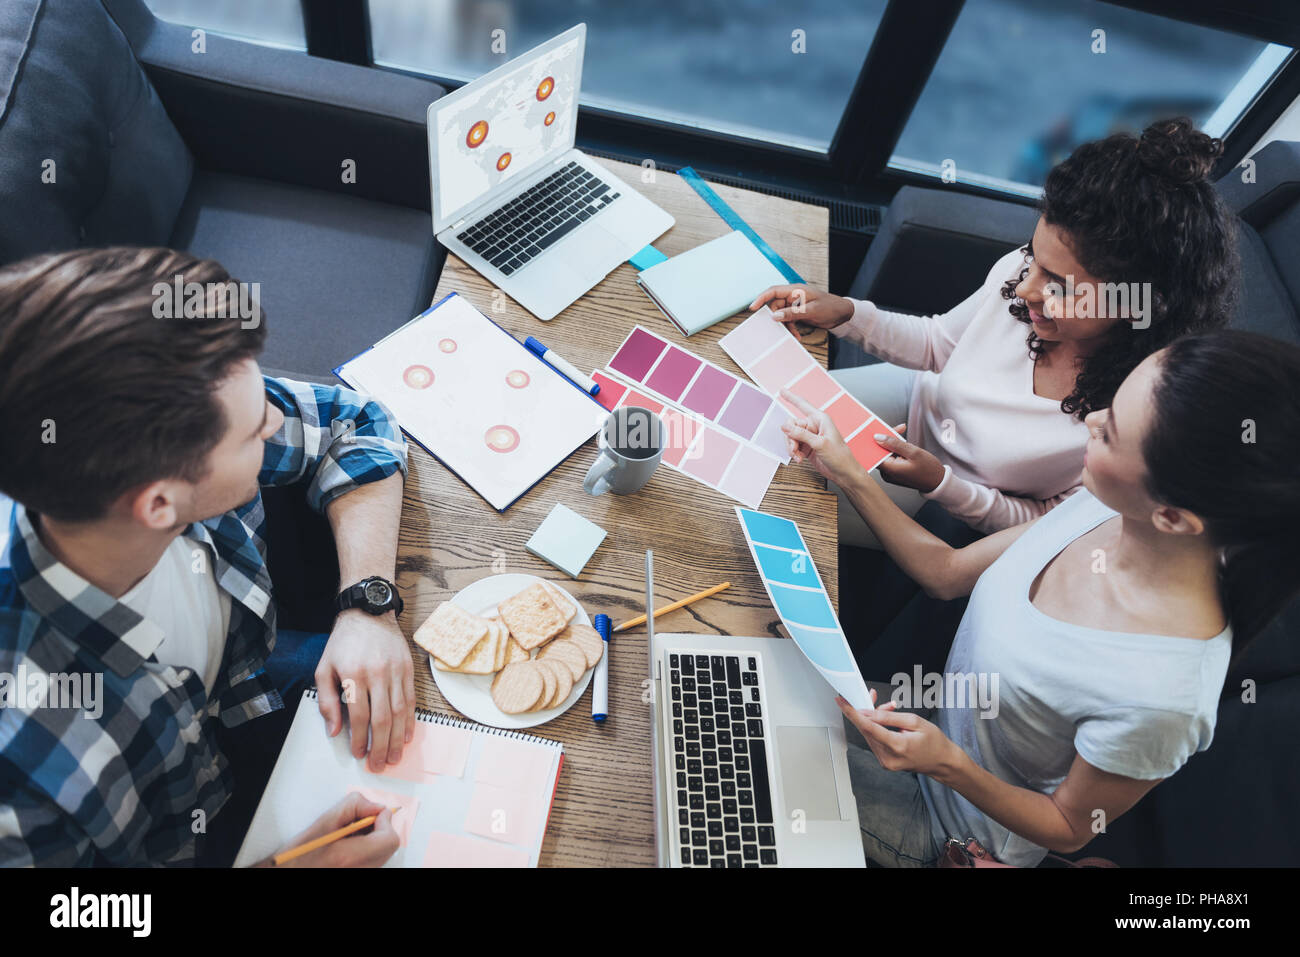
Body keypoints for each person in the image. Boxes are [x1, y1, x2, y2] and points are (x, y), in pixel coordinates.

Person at [779, 329, 1300, 867]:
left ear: (1172, 517)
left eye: (1113, 432)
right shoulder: (1109, 507)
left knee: (745, 759)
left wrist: (946, 764)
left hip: (944, 825)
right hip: (922, 720)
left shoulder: (1164, 696)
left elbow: (1071, 828)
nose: (1091, 419)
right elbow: (946, 571)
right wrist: (847, 468)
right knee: (748, 686)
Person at [0, 247, 413, 866]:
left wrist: (365, 605)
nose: (277, 419)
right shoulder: (25, 780)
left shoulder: (154, 438)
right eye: (253, 432)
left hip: (243, 696)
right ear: (158, 505)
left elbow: (356, 422)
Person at [752, 117, 1239, 544]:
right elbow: (938, 343)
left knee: (768, 494)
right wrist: (847, 314)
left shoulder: (1125, 420)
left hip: (935, 503)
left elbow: (1043, 523)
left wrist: (940, 482)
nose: (1026, 289)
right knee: (753, 418)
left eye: (1060, 286)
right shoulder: (1022, 275)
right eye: (1034, 257)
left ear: (1135, 304)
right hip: (914, 401)